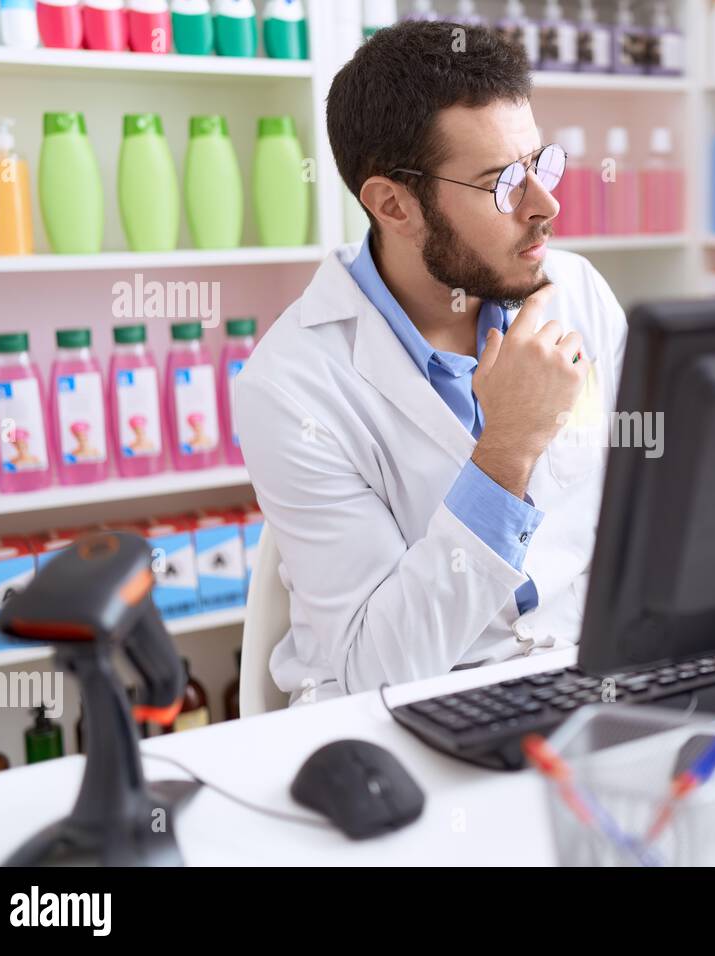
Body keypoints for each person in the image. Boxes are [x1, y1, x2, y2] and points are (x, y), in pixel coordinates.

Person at [234, 21, 627, 703]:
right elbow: (375, 672)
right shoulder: (291, 387)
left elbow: (639, 516)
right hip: (407, 716)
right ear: (393, 204)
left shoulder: (579, 291)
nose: (546, 204)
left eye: (539, 164)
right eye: (504, 183)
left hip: (581, 681)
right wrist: (504, 454)